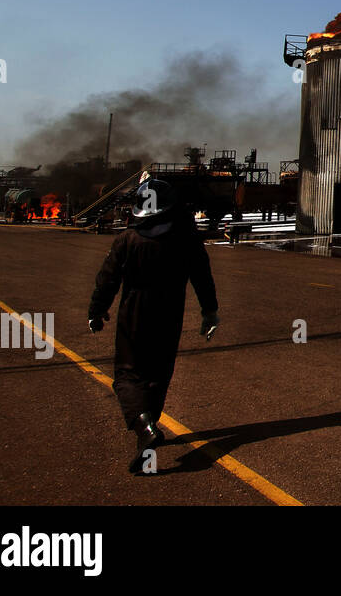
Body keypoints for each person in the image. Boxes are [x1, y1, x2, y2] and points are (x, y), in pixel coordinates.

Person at [88, 178, 220, 473]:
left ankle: (144, 428)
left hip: (134, 311)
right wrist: (209, 312)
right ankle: (147, 431)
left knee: (126, 375)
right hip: (170, 312)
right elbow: (203, 277)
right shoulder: (187, 239)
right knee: (159, 374)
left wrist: (96, 311)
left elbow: (107, 279)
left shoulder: (127, 239)